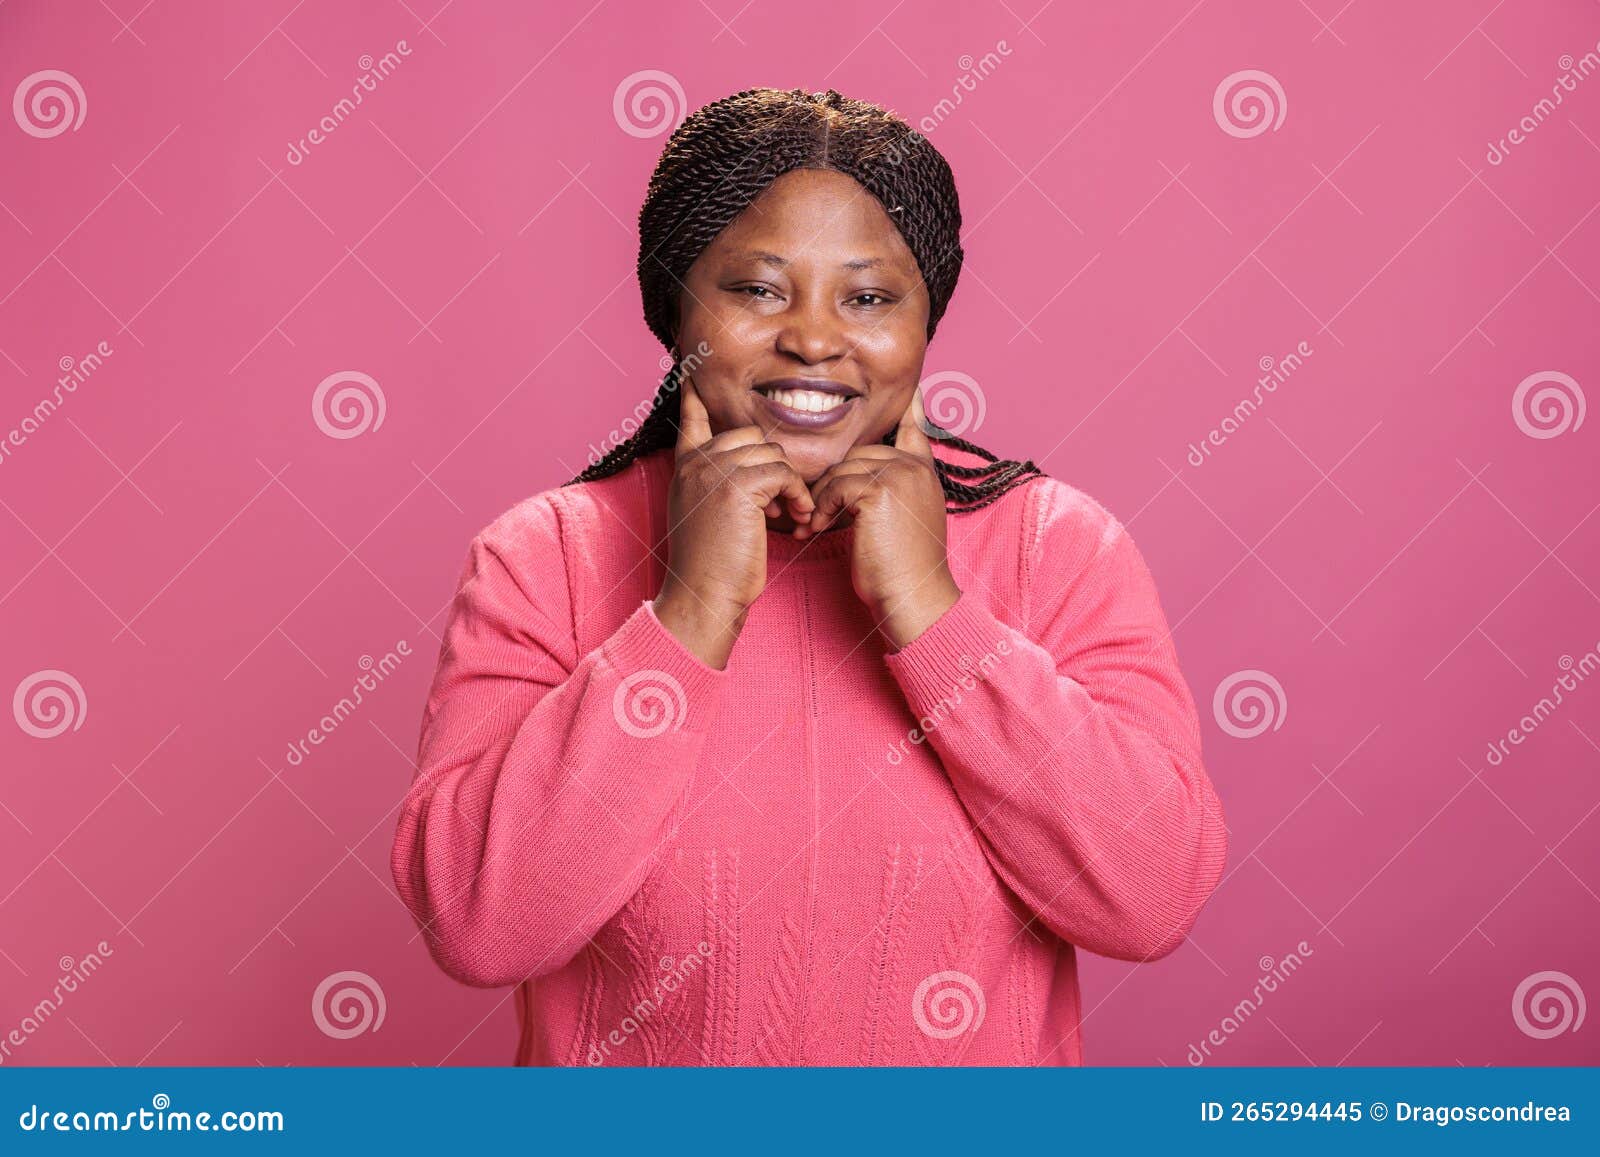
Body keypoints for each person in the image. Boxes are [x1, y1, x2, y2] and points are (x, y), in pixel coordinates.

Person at [390, 87, 1227, 1066]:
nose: (816, 339)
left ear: (925, 317)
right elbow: (482, 925)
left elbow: (1153, 897)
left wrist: (929, 610)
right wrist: (690, 608)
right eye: (756, 290)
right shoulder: (546, 557)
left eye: (869, 297)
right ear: (675, 304)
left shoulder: (1056, 547)